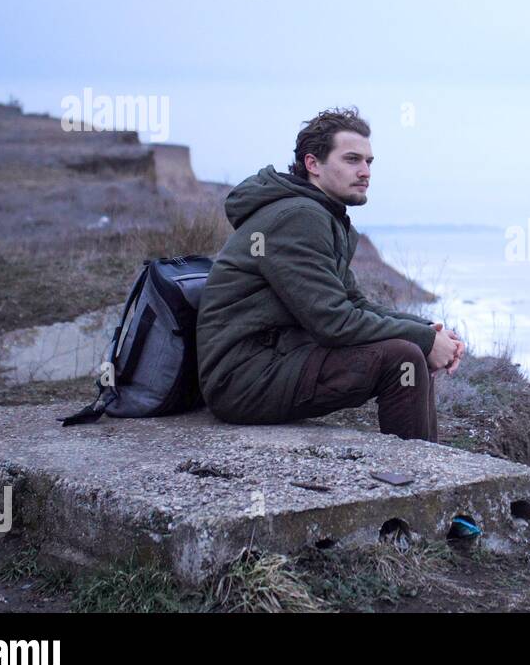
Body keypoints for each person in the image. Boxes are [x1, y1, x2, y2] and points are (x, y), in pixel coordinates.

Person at [195, 106, 463, 442]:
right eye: (352, 160)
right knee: (402, 358)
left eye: (369, 162)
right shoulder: (297, 218)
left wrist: (429, 331)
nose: (365, 172)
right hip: (241, 380)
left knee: (411, 351)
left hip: (274, 360)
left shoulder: (322, 216)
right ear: (313, 164)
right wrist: (422, 341)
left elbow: (354, 303)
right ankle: (420, 481)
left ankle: (427, 469)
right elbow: (334, 322)